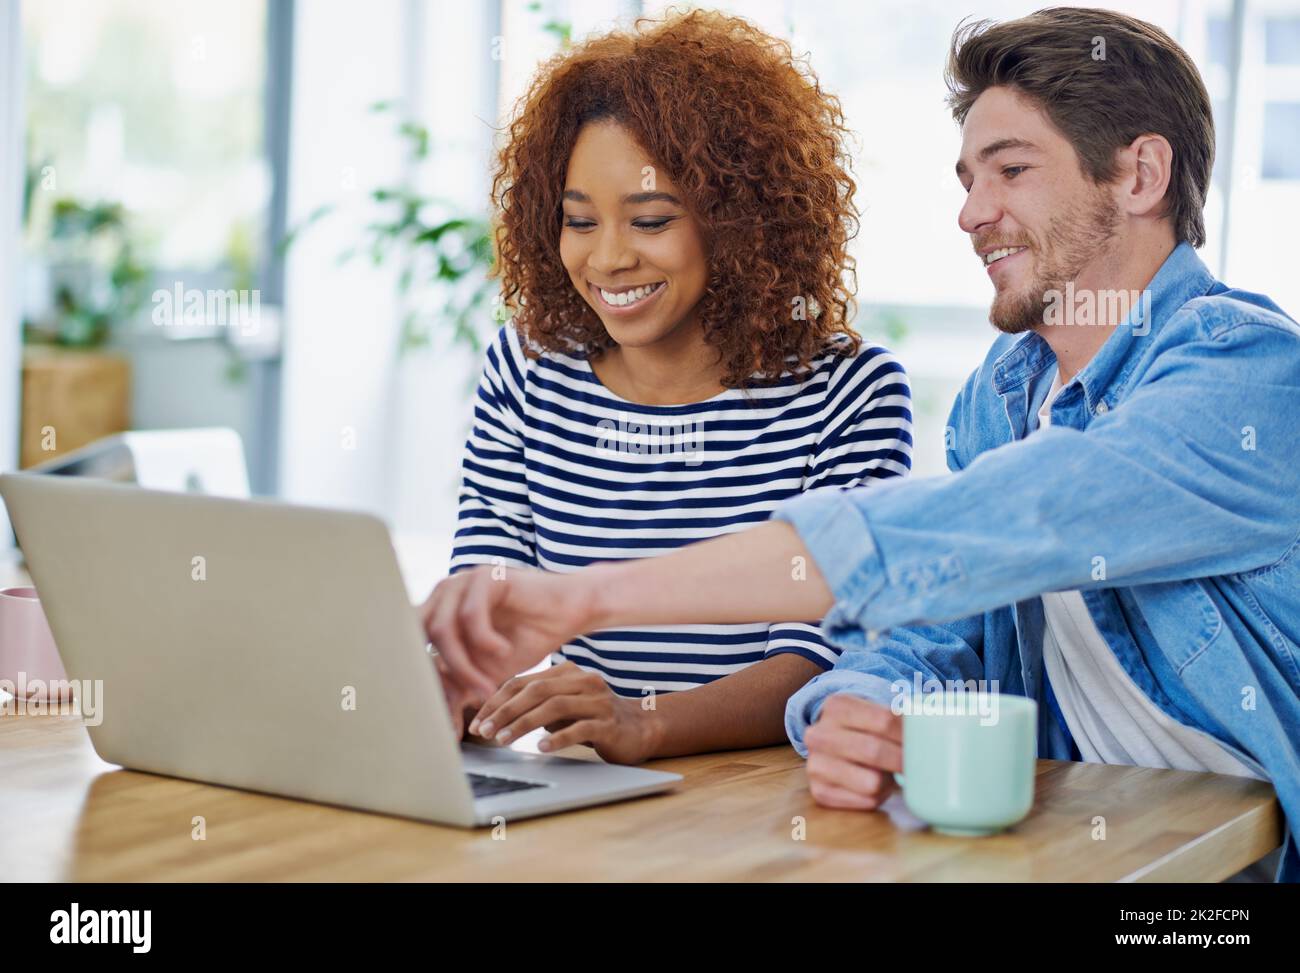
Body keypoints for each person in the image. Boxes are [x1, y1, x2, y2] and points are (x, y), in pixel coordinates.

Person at [427, 7, 1300, 882]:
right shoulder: (1001, 400)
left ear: (1141, 173)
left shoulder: (1247, 370)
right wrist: (862, 704)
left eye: (1012, 171)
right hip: (1090, 854)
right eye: (967, 177)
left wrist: (584, 598)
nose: (970, 212)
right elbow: (926, 634)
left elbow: (1002, 519)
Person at [422, 9, 911, 764]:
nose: (608, 259)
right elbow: (490, 575)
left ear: (739, 221)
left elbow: (819, 656)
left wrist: (645, 721)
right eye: (579, 221)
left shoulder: (849, 391)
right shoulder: (526, 371)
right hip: (592, 787)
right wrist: (459, 679)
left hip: (764, 799)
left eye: (648, 220)